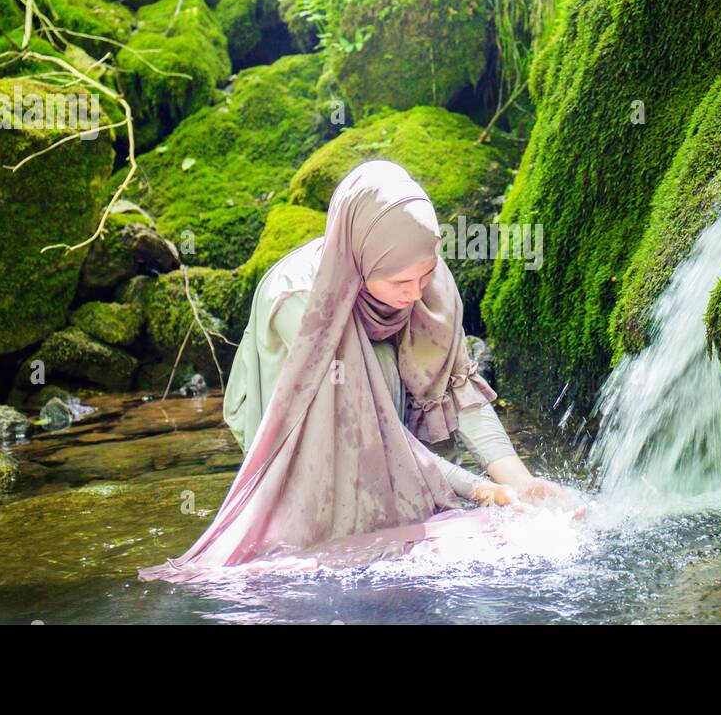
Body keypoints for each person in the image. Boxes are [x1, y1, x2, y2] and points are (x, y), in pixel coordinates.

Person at [139, 160, 572, 583]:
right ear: (361, 263)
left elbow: (457, 386)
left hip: (385, 432)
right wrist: (478, 490)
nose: (417, 292)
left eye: (425, 274)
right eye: (401, 283)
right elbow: (369, 425)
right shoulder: (303, 301)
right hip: (307, 451)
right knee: (329, 565)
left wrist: (519, 480)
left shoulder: (421, 274)